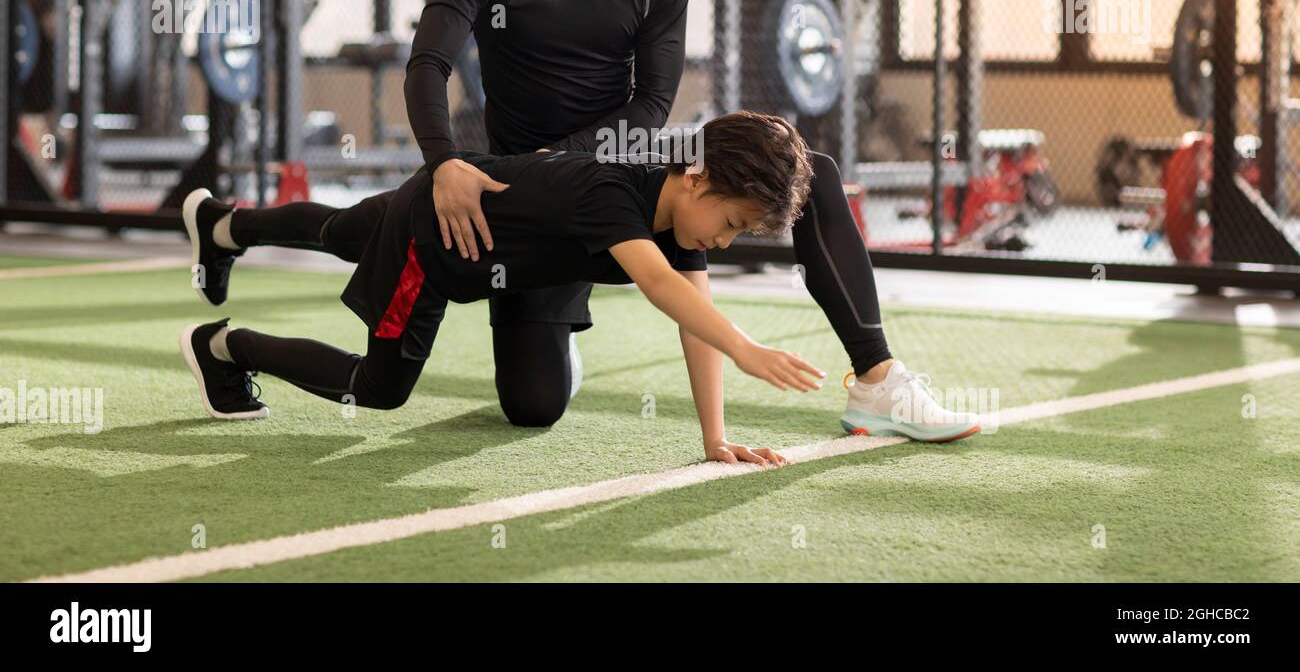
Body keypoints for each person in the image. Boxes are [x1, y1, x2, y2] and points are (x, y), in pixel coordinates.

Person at [179, 112, 982, 467]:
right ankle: (224, 347)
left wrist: (712, 439)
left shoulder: (682, 208)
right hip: (434, 243)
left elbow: (691, 313)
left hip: (445, 215)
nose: (723, 241)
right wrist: (750, 351)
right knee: (378, 389)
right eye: (731, 222)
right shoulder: (616, 191)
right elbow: (665, 287)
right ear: (696, 174)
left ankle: (220, 226)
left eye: (739, 235)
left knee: (338, 230)